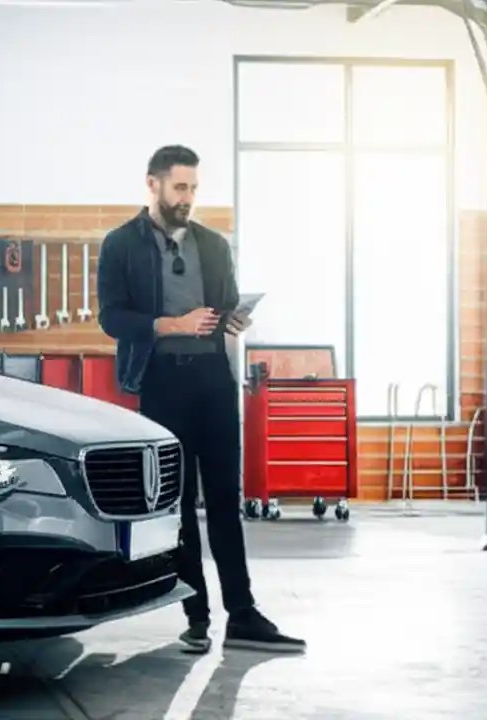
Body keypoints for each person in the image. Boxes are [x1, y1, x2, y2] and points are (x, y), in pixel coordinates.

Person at [96, 144, 305, 655]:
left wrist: (236, 318)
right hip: (162, 382)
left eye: (194, 188)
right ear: (154, 185)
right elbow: (111, 318)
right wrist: (170, 325)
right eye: (180, 188)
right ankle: (196, 617)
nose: (188, 198)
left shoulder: (215, 244)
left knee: (225, 503)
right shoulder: (120, 244)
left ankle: (244, 614)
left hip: (213, 379)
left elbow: (228, 300)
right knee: (181, 506)